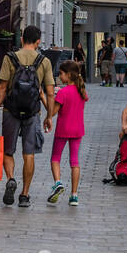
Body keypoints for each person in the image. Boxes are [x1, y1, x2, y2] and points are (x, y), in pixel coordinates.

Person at [0, 24, 55, 207]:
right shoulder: (44, 61)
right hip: (33, 112)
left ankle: (11, 178)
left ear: (21, 39)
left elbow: (2, 88)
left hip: (11, 110)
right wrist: (49, 116)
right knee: (29, 154)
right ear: (38, 42)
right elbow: (50, 93)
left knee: (8, 151)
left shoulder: (10, 58)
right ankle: (25, 195)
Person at [48, 60, 88, 207]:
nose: (59, 76)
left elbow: (52, 112)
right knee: (74, 161)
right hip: (78, 130)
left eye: (61, 73)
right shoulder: (82, 91)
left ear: (68, 75)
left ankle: (58, 183)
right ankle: (74, 195)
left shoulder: (63, 93)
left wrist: (48, 99)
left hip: (63, 129)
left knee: (55, 158)